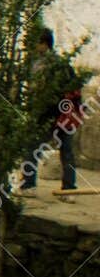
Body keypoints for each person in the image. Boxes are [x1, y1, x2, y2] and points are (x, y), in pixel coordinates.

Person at [22, 27, 85, 192]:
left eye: (35, 43)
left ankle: (28, 185)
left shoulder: (42, 65)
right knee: (66, 151)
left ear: (44, 44)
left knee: (32, 148)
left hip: (49, 114)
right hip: (63, 115)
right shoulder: (58, 63)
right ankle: (69, 188)